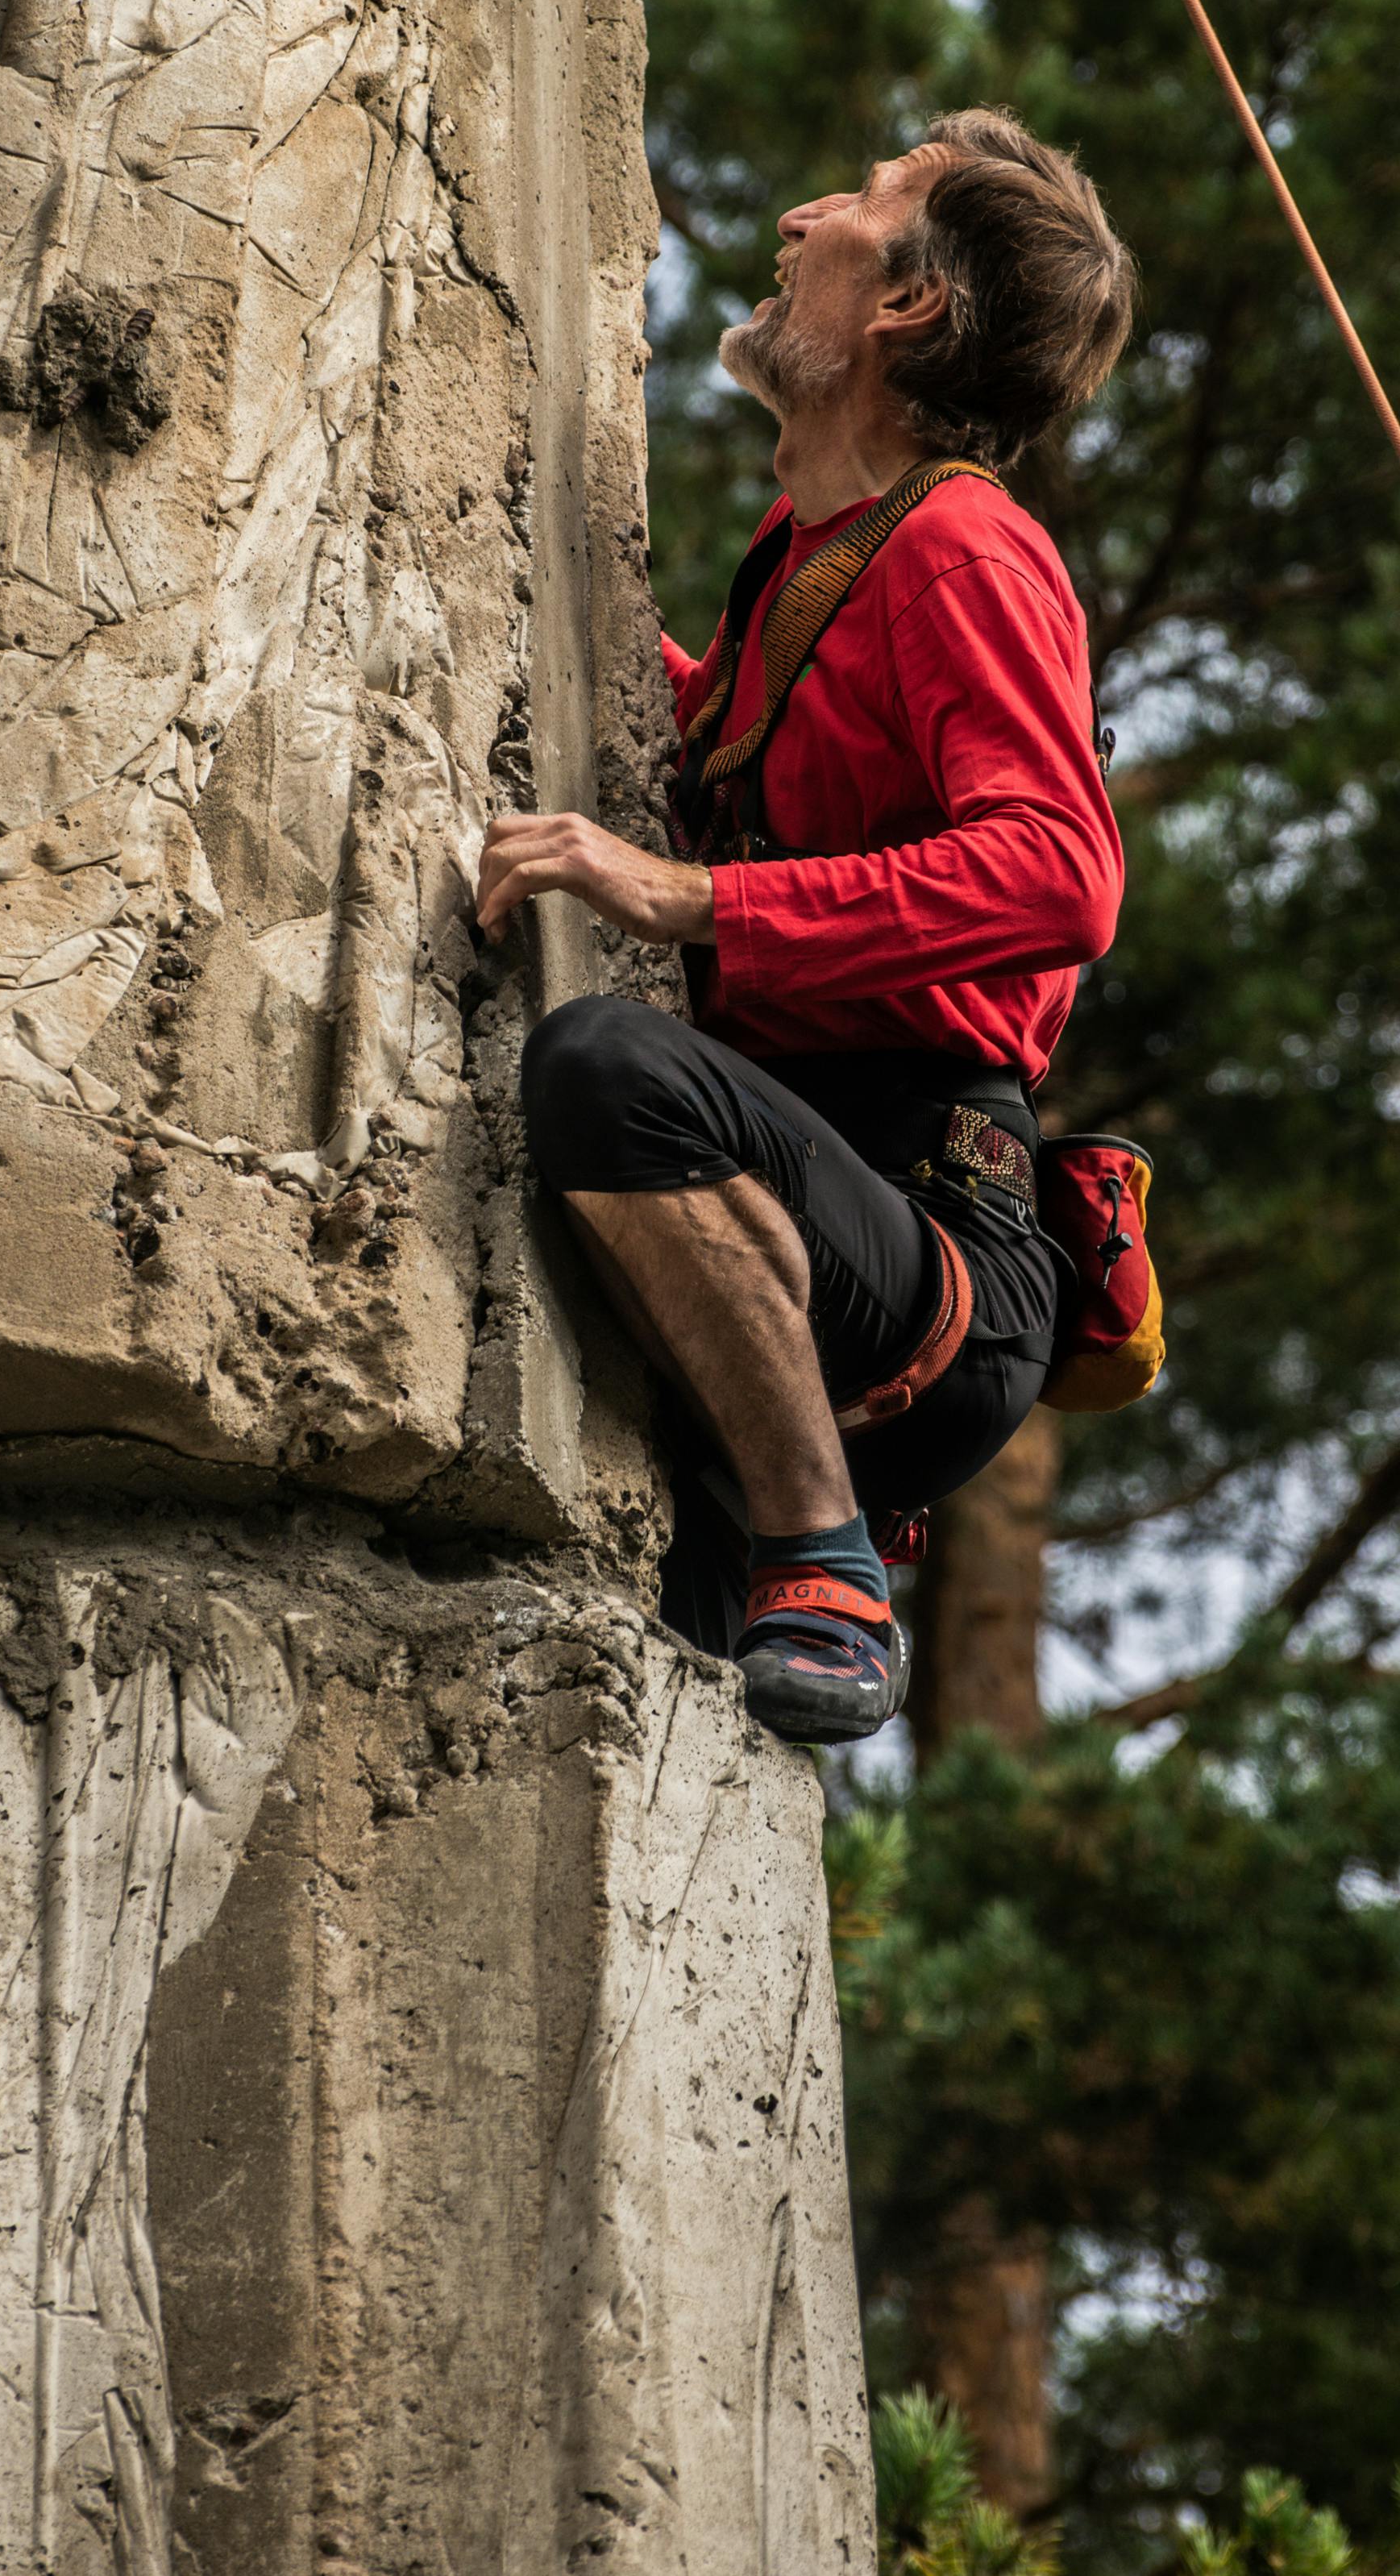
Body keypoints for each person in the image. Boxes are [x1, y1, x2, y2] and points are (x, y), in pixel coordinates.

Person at [477, 109, 1136, 1745]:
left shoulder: (964, 544)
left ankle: (828, 1556)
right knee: (659, 1715)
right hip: (793, 1214)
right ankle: (794, 1556)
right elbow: (744, 757)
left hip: (924, 1237)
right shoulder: (803, 551)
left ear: (906, 307)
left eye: (859, 201)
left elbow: (1060, 868)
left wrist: (687, 898)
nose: (798, 213)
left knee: (604, 1074)